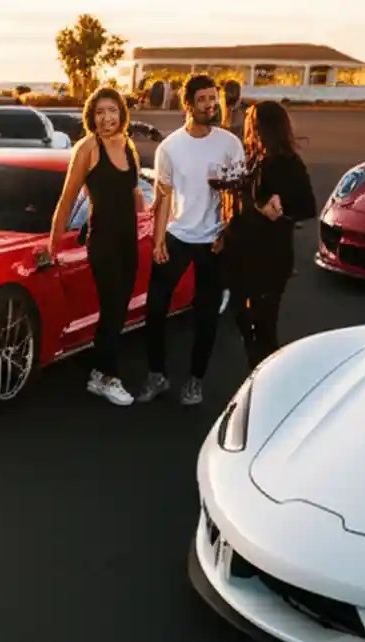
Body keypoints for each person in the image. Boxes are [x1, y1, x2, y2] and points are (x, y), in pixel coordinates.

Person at [135, 74, 245, 406]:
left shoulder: (229, 144)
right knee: (155, 309)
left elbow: (236, 197)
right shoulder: (170, 148)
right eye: (203, 100)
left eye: (214, 99)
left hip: (213, 240)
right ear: (188, 104)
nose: (211, 105)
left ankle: (195, 381)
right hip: (177, 236)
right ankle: (157, 375)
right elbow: (163, 197)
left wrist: (227, 234)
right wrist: (158, 241)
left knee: (206, 316)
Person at [49, 87, 146, 406]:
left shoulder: (128, 145)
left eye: (112, 111)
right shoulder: (88, 148)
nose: (107, 118)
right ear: (92, 116)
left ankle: (98, 374)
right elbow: (67, 198)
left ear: (121, 113)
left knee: (118, 310)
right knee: (113, 306)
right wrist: (54, 244)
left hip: (128, 238)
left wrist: (149, 214)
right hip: (102, 239)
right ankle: (108, 377)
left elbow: (133, 192)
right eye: (100, 112)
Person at [219, 101, 317, 369]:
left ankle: (264, 374)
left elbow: (307, 207)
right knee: (241, 314)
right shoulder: (252, 159)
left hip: (270, 257)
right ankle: (258, 366)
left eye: (252, 121)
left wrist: (280, 211)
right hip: (240, 252)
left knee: (264, 324)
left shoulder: (287, 163)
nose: (248, 126)